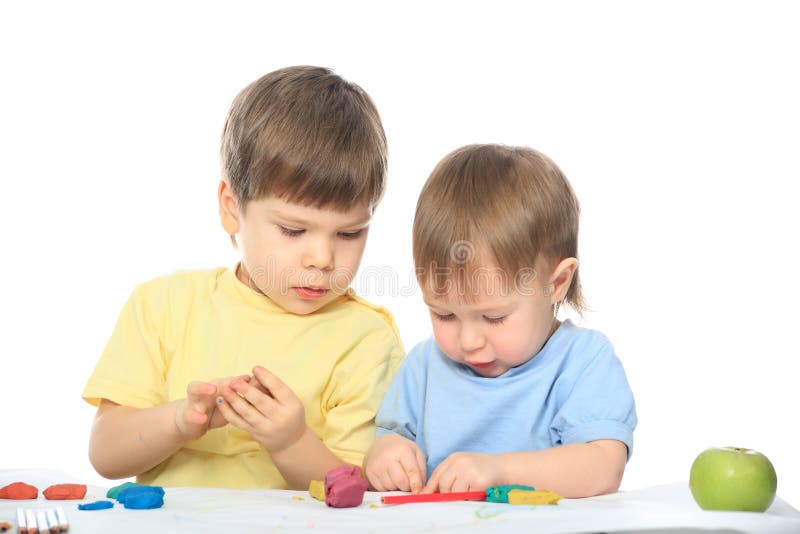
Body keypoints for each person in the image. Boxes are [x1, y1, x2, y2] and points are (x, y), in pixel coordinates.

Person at [83, 66, 404, 490]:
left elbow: (358, 492)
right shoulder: (162, 306)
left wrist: (291, 442)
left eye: (349, 233)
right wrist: (182, 420)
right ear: (232, 208)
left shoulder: (366, 339)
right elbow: (106, 454)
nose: (323, 259)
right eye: (293, 230)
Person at [363, 144, 637, 498]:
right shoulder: (424, 368)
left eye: (494, 317)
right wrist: (385, 457)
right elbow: (388, 441)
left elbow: (603, 466)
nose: (468, 341)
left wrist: (500, 470)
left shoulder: (583, 362)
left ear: (555, 284)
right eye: (444, 313)